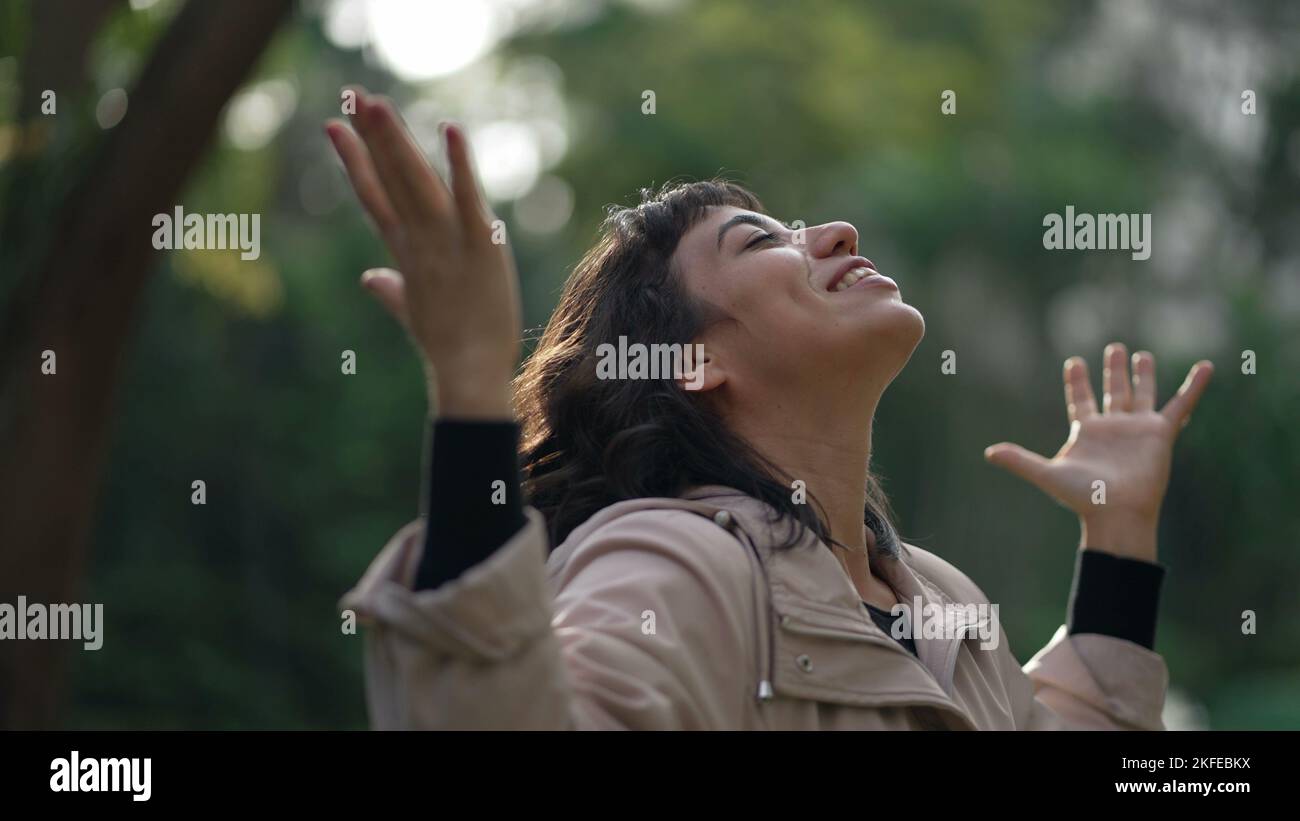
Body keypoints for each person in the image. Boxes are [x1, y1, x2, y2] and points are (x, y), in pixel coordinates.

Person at [327, 88, 1213, 730]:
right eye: (762, 241)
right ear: (694, 361)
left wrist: (1119, 537)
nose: (834, 234)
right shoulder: (679, 564)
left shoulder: (939, 595)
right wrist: (473, 394)